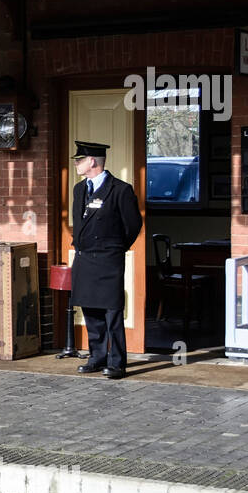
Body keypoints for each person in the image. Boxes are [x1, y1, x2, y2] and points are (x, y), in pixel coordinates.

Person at [70, 141, 143, 379]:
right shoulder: (79, 189)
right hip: (84, 259)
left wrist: (115, 247)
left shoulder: (120, 189)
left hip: (108, 259)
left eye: (79, 160)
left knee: (112, 312)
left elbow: (133, 225)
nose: (76, 164)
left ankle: (117, 362)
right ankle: (97, 356)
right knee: (90, 310)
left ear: (92, 161)